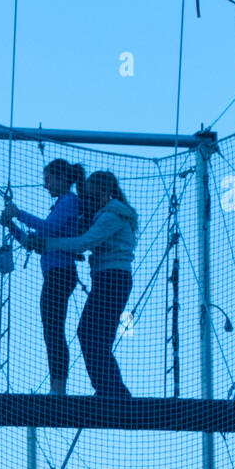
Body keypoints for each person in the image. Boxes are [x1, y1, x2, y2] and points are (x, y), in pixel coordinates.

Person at [26, 171, 138, 400]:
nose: (88, 200)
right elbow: (82, 241)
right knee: (95, 334)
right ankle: (111, 390)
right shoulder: (108, 214)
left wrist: (48, 243)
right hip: (108, 278)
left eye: (92, 195)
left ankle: (113, 391)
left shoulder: (111, 215)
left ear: (104, 193)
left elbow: (85, 242)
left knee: (90, 333)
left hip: (112, 278)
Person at [0, 159, 86, 394]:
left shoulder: (69, 201)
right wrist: (12, 227)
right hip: (55, 274)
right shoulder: (61, 204)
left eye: (48, 179)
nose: (45, 184)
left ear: (60, 179)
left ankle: (58, 387)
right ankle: (57, 386)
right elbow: (33, 243)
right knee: (51, 330)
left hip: (60, 273)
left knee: (53, 330)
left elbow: (47, 230)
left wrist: (18, 214)